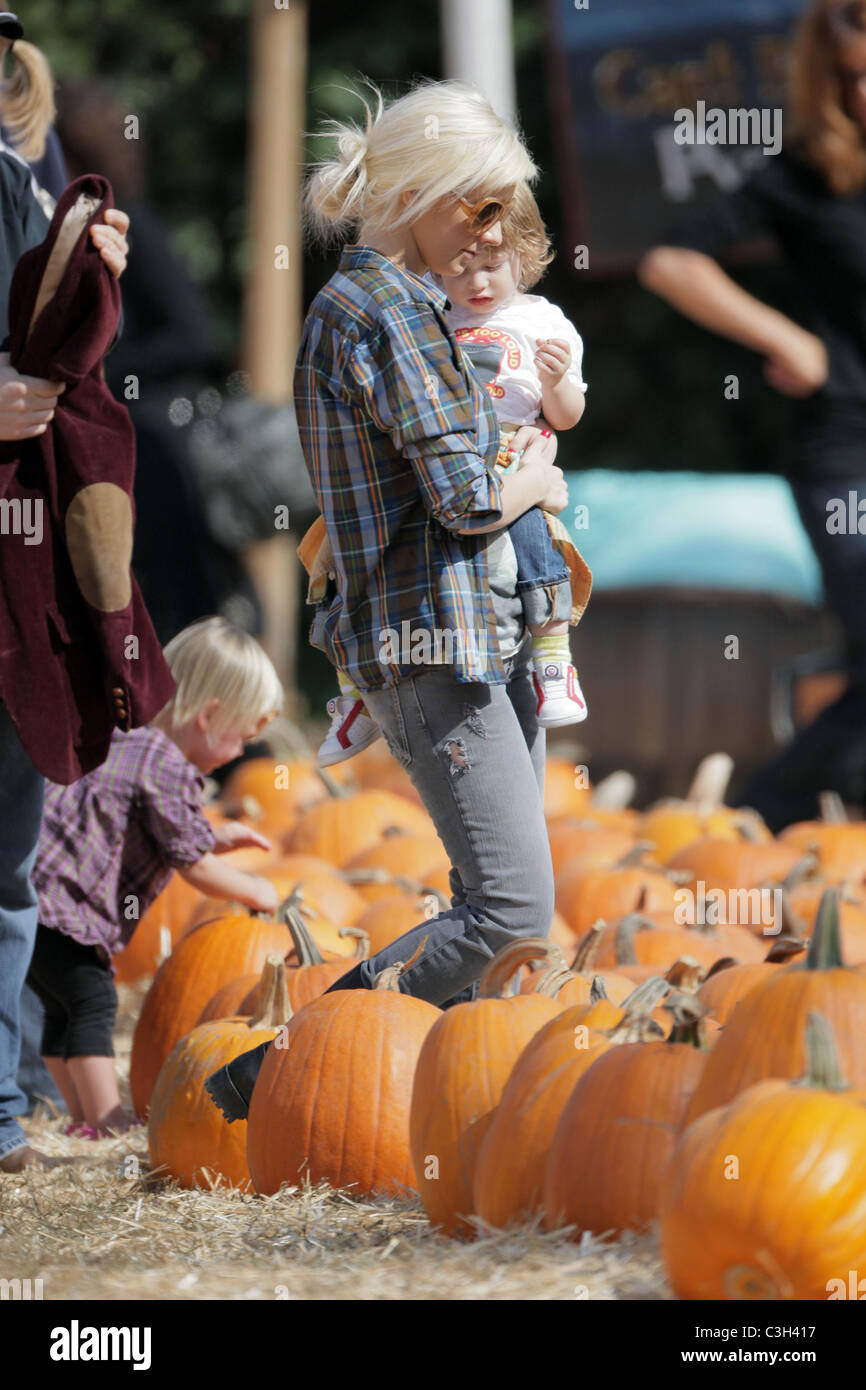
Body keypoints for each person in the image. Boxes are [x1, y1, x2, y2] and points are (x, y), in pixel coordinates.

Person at [207, 78, 587, 1123]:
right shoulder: (380, 310)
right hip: (434, 638)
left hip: (476, 628)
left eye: (504, 210)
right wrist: (541, 483)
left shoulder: (405, 305)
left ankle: (453, 1122)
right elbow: (468, 497)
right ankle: (277, 1077)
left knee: (506, 912)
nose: (495, 230)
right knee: (509, 909)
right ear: (423, 188)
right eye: (480, 205)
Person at [638, 0, 866, 831]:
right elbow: (672, 261)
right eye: (857, 78)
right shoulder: (804, 175)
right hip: (846, 449)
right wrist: (784, 338)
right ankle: (763, 815)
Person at [315, 182, 591, 765]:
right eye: (462, 269)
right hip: (436, 456)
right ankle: (352, 688)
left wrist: (556, 381)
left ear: (524, 253)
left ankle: (553, 656)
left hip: (511, 451)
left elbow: (566, 417)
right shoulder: (426, 313)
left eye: (492, 265)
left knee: (531, 537)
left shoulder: (541, 320)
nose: (477, 283)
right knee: (330, 545)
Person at [0, 16, 135, 1174]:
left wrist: (87, 275)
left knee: (5, 860)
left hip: (17, 551)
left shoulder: (22, 180)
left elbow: (47, 354)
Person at [26, 618, 281, 1138]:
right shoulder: (168, 766)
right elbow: (194, 866)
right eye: (243, 738)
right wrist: (256, 889)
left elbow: (158, 826)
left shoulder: (131, 738)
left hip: (33, 894)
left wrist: (216, 834)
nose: (239, 754)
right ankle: (105, 1121)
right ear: (210, 717)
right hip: (65, 910)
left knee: (61, 1008)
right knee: (93, 1004)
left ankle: (79, 1119)